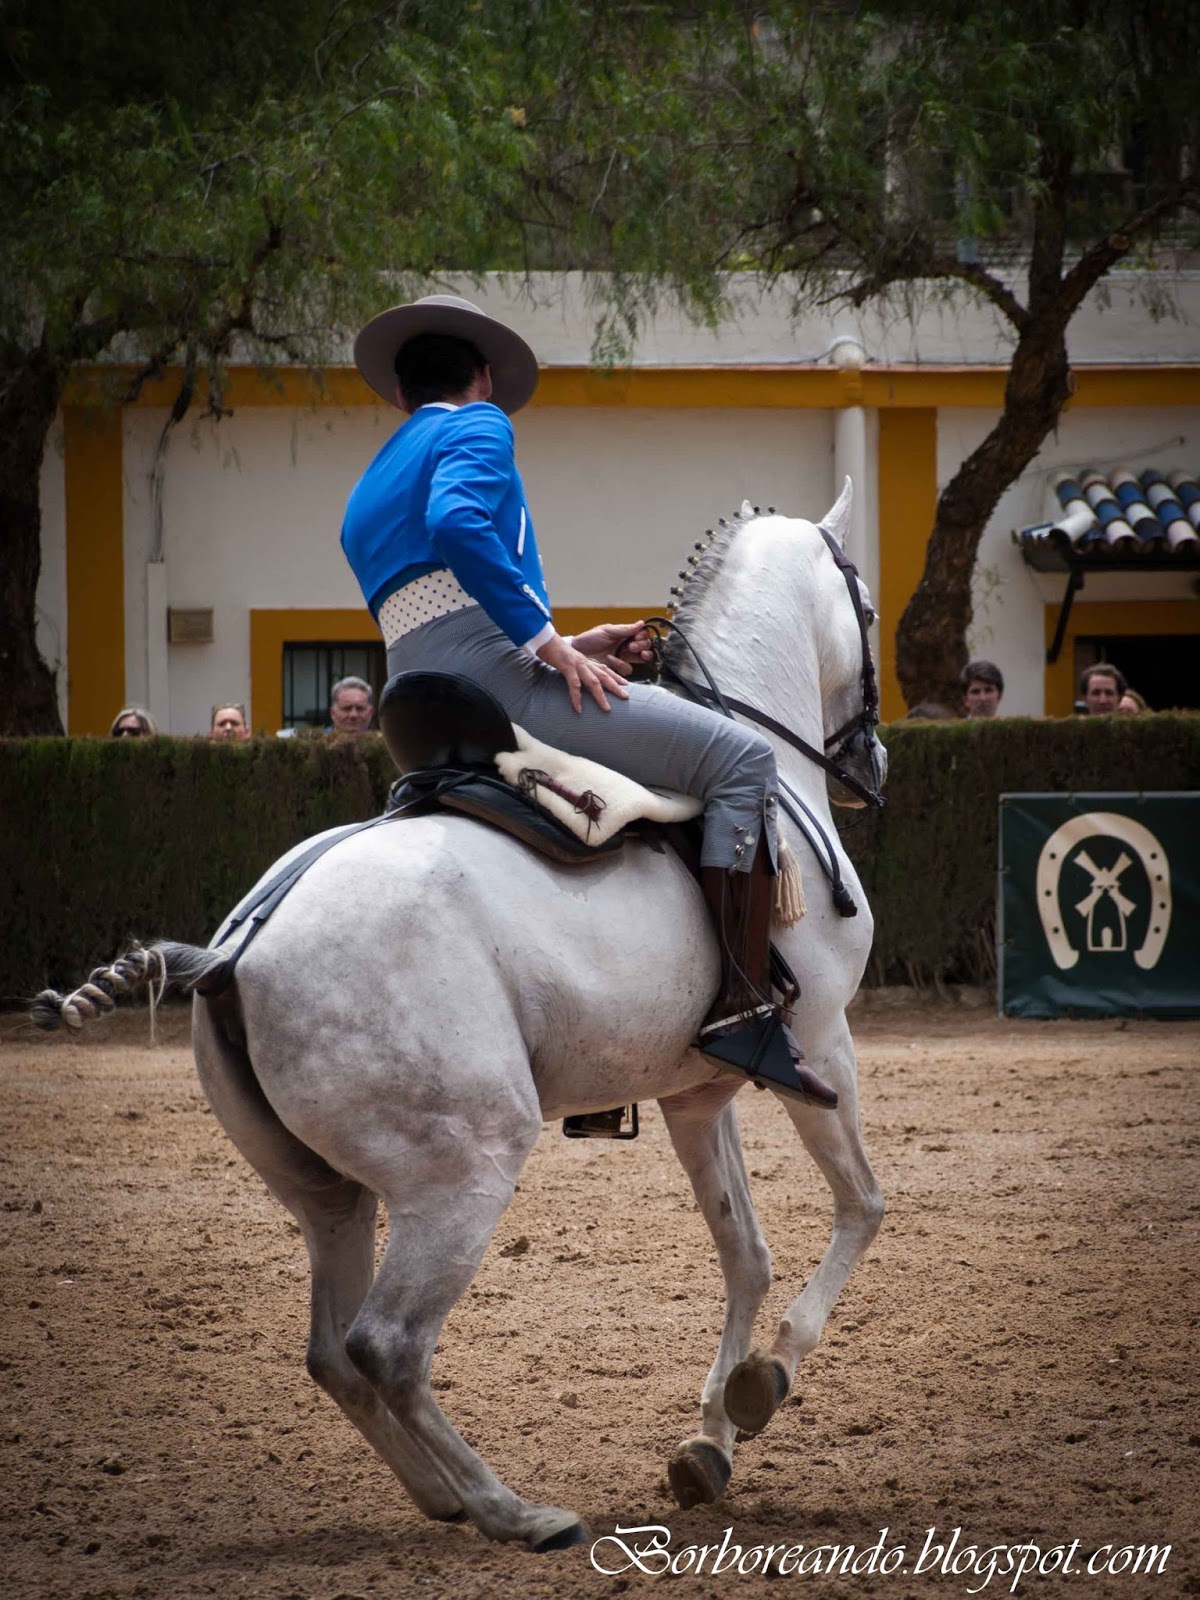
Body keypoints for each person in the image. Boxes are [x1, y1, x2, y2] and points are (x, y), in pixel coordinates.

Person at [339, 293, 837, 1112]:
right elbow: (458, 522)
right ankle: (744, 1011)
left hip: (413, 698)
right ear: (485, 378)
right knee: (742, 759)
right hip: (495, 682)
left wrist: (568, 638)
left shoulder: (370, 478)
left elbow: (437, 589)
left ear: (400, 396)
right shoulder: (479, 425)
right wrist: (546, 643)